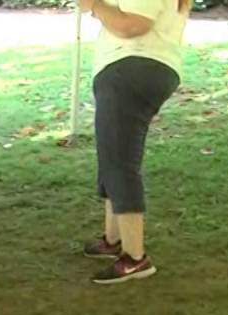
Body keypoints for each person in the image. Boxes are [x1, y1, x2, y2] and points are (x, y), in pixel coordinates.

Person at [78, 0, 189, 285]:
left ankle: (134, 258)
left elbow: (133, 25)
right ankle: (113, 240)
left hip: (132, 67)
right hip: (135, 67)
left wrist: (93, 6)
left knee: (119, 162)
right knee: (112, 156)